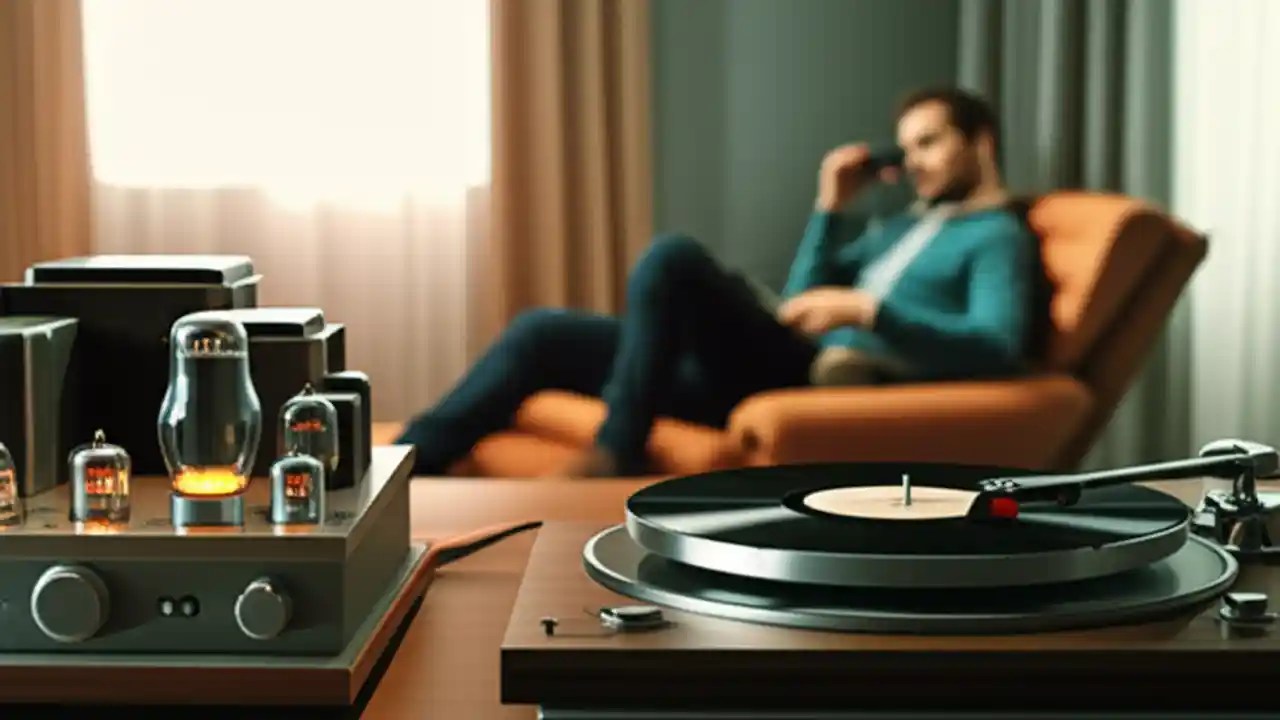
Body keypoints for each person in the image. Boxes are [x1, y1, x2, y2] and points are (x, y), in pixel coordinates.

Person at [396, 87, 1040, 477]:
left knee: (673, 258)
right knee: (543, 332)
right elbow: (800, 295)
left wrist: (872, 312)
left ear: (980, 142)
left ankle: (615, 449)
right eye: (907, 149)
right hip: (781, 351)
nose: (914, 163)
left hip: (823, 374)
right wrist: (830, 207)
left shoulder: (998, 237)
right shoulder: (901, 227)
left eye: (928, 143)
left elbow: (995, 344)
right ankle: (404, 464)